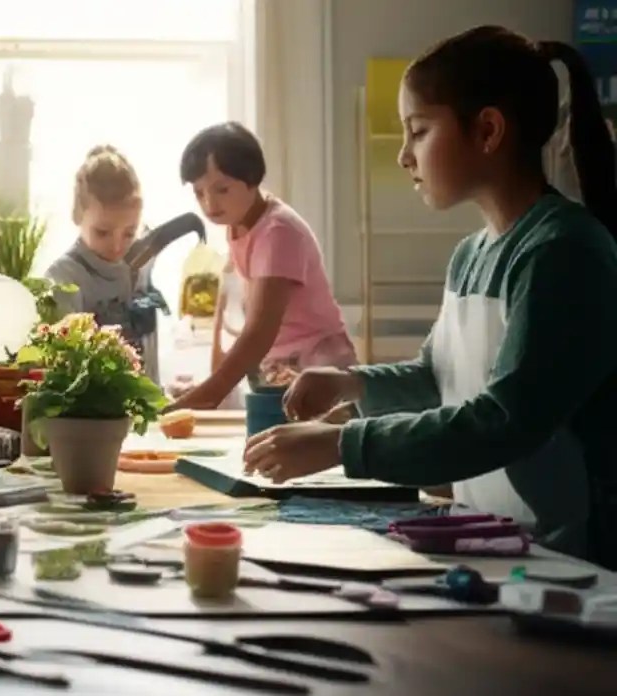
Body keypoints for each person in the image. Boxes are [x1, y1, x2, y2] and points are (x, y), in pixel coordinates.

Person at [244, 26, 617, 568]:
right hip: (504, 545)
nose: (403, 156)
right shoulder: (471, 254)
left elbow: (502, 420)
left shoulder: (563, 252)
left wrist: (342, 443)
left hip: (577, 562)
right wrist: (350, 382)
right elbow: (434, 378)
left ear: (487, 130)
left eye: (418, 131)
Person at [167, 123, 353, 410]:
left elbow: (258, 333)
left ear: (252, 180)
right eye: (199, 192)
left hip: (319, 369)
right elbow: (233, 315)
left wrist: (208, 394)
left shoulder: (277, 232)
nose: (209, 203)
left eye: (222, 189)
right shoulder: (240, 223)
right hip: (283, 372)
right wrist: (208, 385)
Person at [45, 145, 164, 380]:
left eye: (129, 233)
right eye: (102, 232)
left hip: (146, 406)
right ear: (77, 215)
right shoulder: (64, 278)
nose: (117, 245)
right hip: (92, 411)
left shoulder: (142, 261)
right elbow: (63, 366)